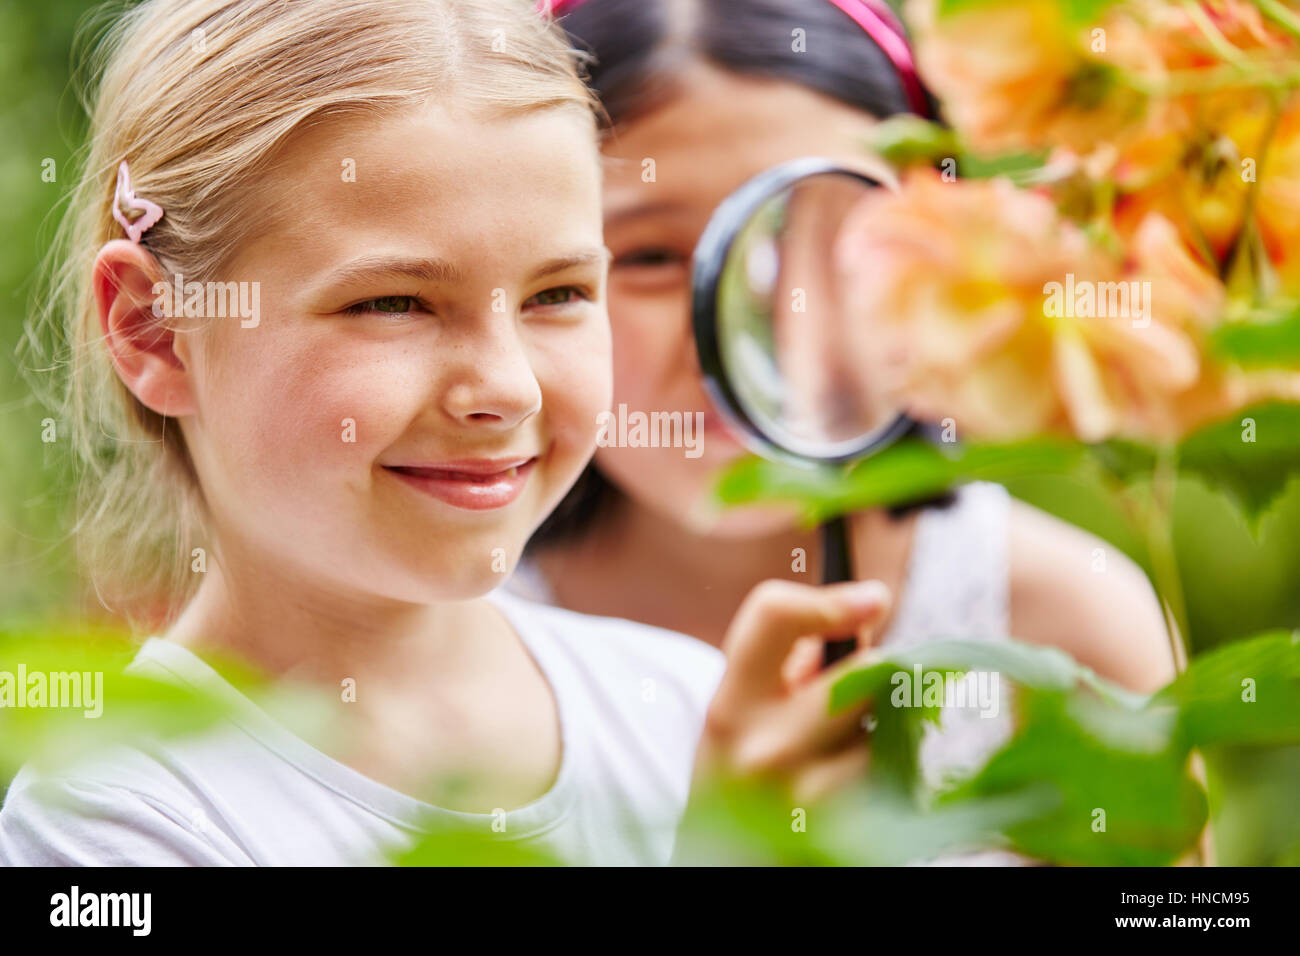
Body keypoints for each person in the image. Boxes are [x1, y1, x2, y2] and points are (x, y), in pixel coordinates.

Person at [0, 0, 895, 867]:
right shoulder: (112, 820)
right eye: (394, 303)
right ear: (155, 331)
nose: (507, 389)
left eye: (558, 294)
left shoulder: (686, 704)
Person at [517, 0, 1177, 803]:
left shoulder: (1070, 627)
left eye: (828, 242)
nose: (751, 323)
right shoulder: (440, 633)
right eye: (651, 256)